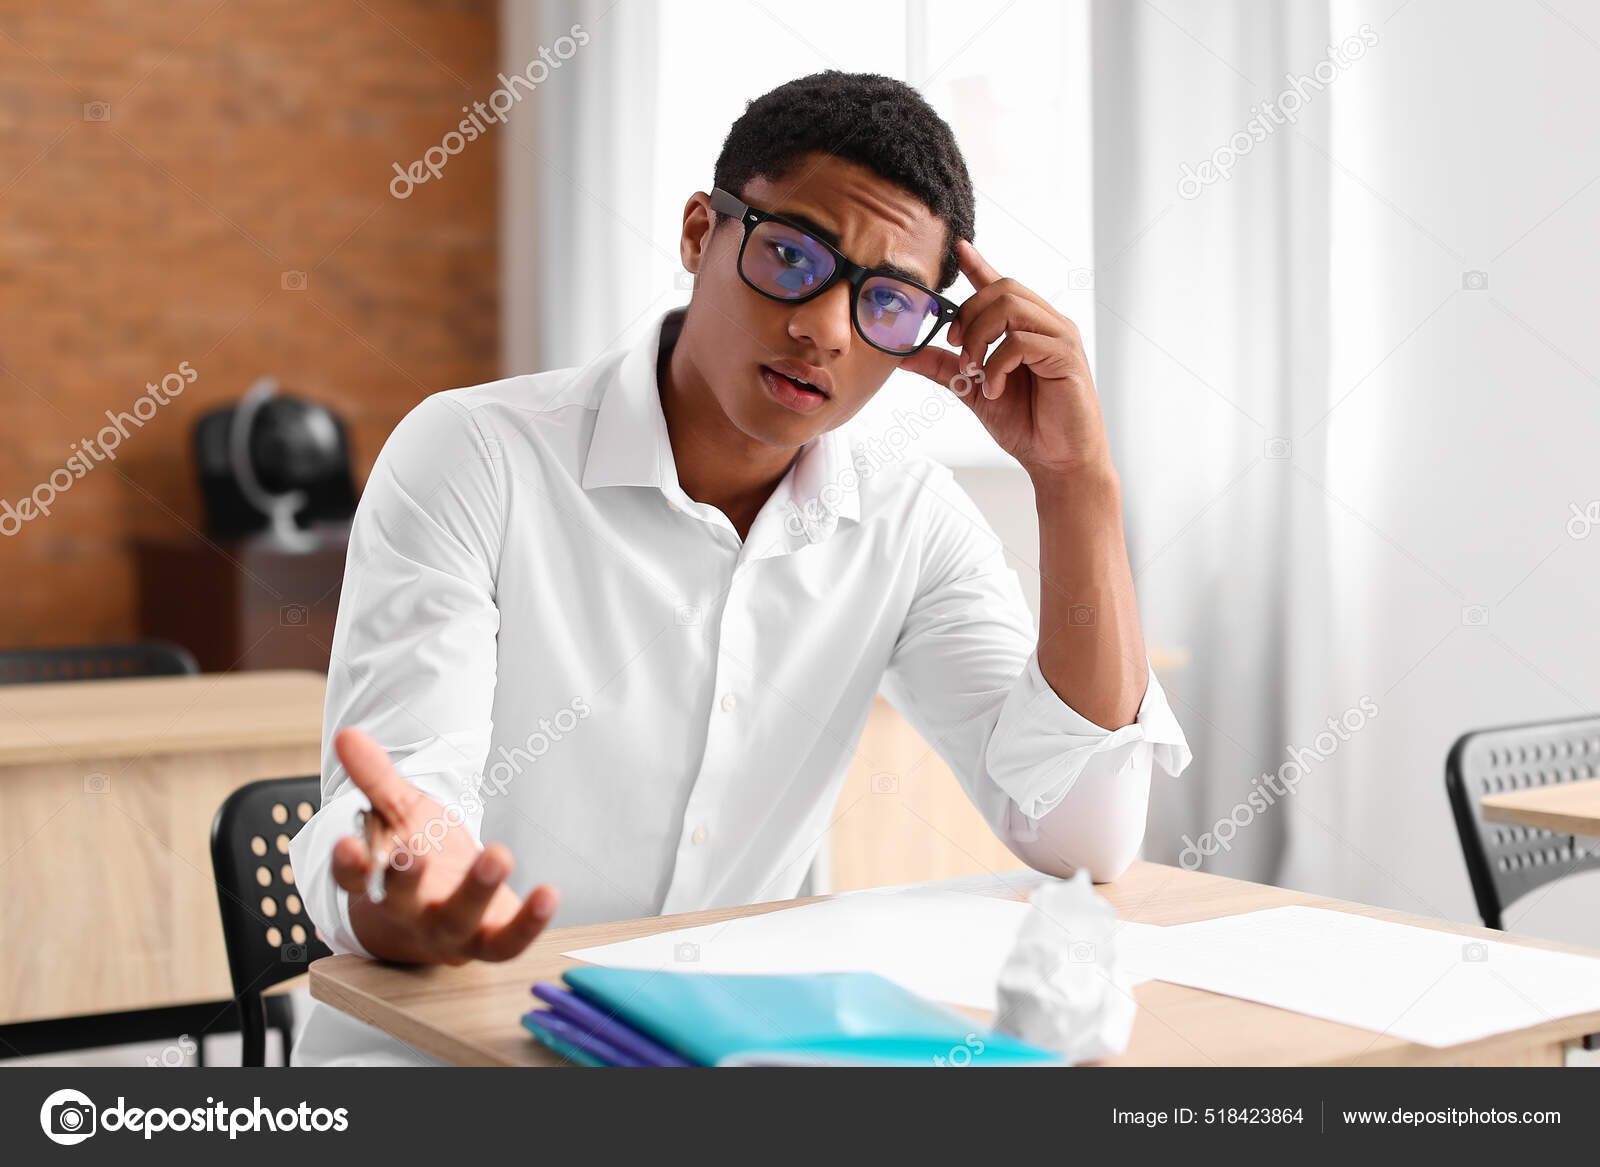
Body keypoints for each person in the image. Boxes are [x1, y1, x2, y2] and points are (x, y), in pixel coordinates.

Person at [288, 70, 1190, 1065]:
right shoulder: (475, 455)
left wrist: (1075, 482)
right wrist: (412, 891)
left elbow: (1083, 837)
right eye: (792, 256)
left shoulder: (907, 518)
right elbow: (406, 804)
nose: (824, 329)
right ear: (696, 235)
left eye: (886, 304)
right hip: (447, 1056)